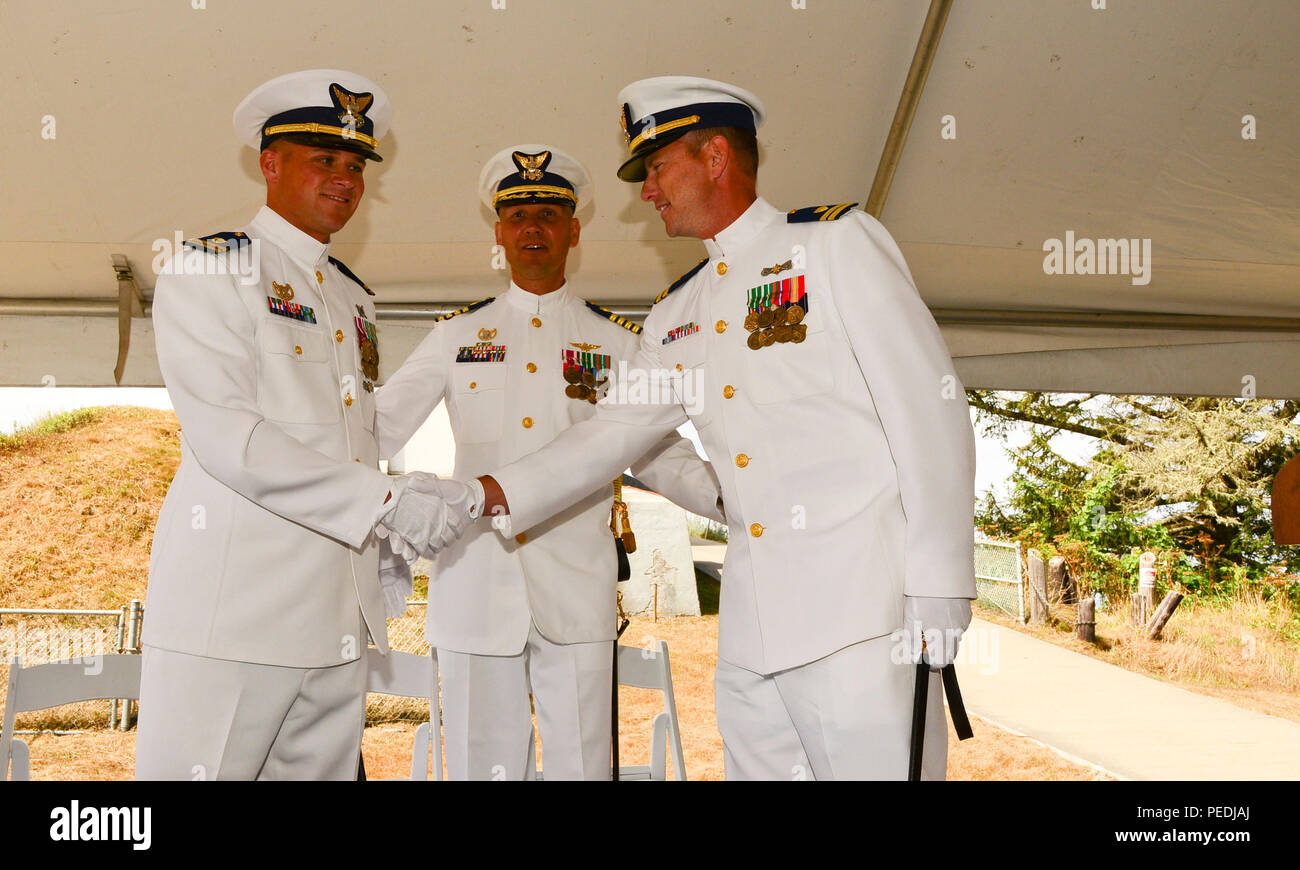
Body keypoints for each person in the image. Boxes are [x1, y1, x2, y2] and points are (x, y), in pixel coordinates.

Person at [473, 76, 977, 780]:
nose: (646, 191)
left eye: (654, 169)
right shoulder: (677, 312)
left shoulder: (835, 245)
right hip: (751, 635)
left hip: (862, 619)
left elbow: (930, 407)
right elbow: (608, 434)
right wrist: (491, 492)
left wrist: (941, 577)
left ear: (715, 157)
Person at [135, 69, 470, 780]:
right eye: (325, 160)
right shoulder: (210, 270)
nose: (345, 179)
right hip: (232, 623)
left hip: (334, 625)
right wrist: (383, 500)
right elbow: (231, 438)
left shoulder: (350, 298)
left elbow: (354, 437)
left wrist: (411, 500)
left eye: (356, 166)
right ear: (270, 162)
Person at [375, 145, 723, 780]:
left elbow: (660, 453)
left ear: (574, 229)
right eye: (518, 215)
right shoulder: (455, 336)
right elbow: (373, 428)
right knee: (482, 768)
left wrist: (742, 499)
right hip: (476, 585)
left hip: (576, 588)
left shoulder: (619, 343)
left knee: (585, 769)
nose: (533, 228)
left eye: (549, 214)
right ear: (500, 231)